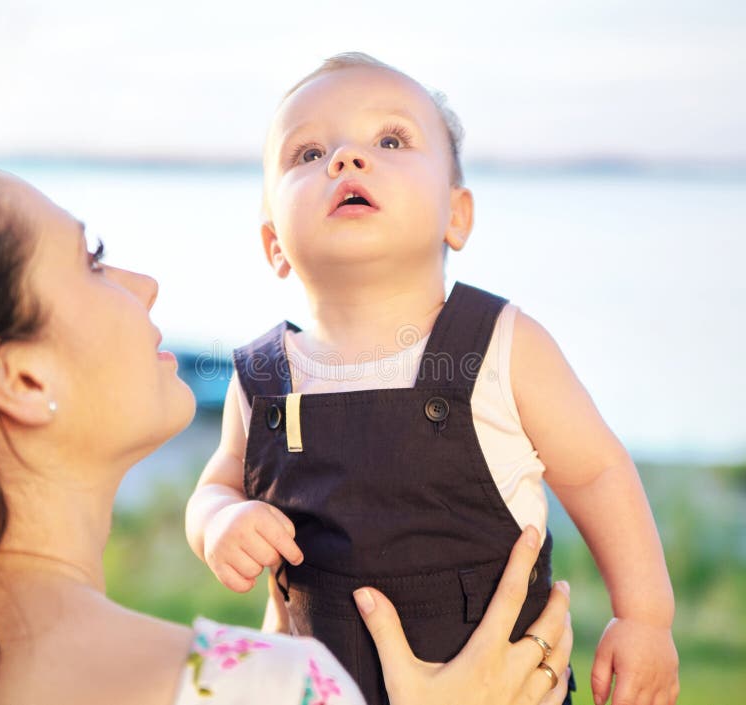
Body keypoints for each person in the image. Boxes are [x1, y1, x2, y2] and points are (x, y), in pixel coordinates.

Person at [0, 145, 573, 705]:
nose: (146, 285)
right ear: (21, 379)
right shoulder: (267, 686)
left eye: (391, 141)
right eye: (93, 262)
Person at [185, 53, 680, 705]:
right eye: (308, 152)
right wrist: (219, 520)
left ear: (457, 214)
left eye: (389, 140)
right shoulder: (262, 380)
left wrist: (644, 615)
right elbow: (216, 484)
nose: (346, 159)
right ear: (274, 242)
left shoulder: (504, 344)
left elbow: (597, 471)